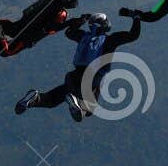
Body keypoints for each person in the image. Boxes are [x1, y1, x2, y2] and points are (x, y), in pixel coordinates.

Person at [14, 14, 143, 122]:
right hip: (93, 77)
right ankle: (75, 101)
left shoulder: (83, 36)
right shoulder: (110, 40)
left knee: (52, 100)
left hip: (74, 75)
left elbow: (69, 32)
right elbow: (133, 35)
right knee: (89, 108)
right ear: (105, 25)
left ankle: (34, 98)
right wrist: (136, 17)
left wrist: (81, 20)